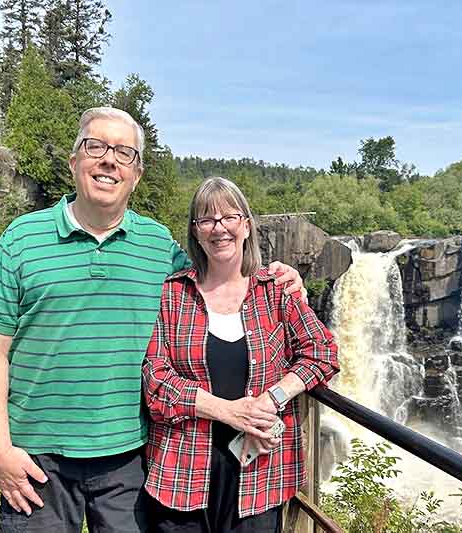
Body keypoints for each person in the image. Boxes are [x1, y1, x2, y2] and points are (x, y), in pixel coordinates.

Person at [0, 107, 304, 533]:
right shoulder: (21, 238)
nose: (109, 160)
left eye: (124, 153)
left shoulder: (157, 244)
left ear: (136, 174)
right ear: (74, 162)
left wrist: (279, 278)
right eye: (96, 146)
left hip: (128, 459)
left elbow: (217, 280)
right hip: (36, 459)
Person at [142, 176, 339, 533]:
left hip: (259, 475)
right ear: (196, 232)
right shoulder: (173, 294)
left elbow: (322, 352)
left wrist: (273, 397)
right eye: (207, 219)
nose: (219, 228)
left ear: (246, 226)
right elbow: (156, 381)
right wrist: (231, 412)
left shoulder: (275, 291)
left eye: (229, 217)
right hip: (182, 471)